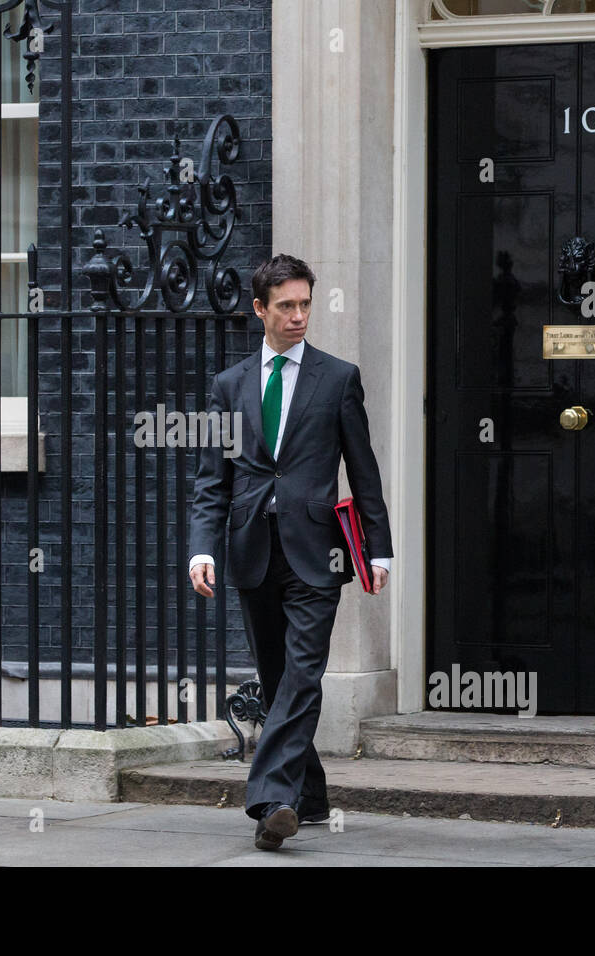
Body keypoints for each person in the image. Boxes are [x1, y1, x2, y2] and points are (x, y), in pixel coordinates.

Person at [187, 253, 393, 851]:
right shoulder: (228, 386)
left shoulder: (338, 378)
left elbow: (364, 470)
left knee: (303, 675)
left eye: (306, 303)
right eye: (287, 306)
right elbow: (212, 479)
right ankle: (314, 794)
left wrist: (377, 552)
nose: (300, 315)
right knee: (278, 678)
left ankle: (273, 798)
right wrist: (203, 549)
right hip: (252, 550)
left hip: (317, 555)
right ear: (260, 310)